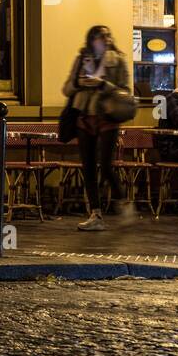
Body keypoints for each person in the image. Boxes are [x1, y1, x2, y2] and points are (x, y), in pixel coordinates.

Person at [64, 24, 136, 231]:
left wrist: (103, 84)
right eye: (99, 37)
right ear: (91, 40)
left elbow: (125, 91)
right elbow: (67, 88)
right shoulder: (82, 59)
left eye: (107, 36)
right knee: (88, 167)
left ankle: (122, 202)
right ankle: (95, 214)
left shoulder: (117, 60)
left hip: (108, 116)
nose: (104, 40)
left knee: (105, 164)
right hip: (85, 117)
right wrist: (79, 83)